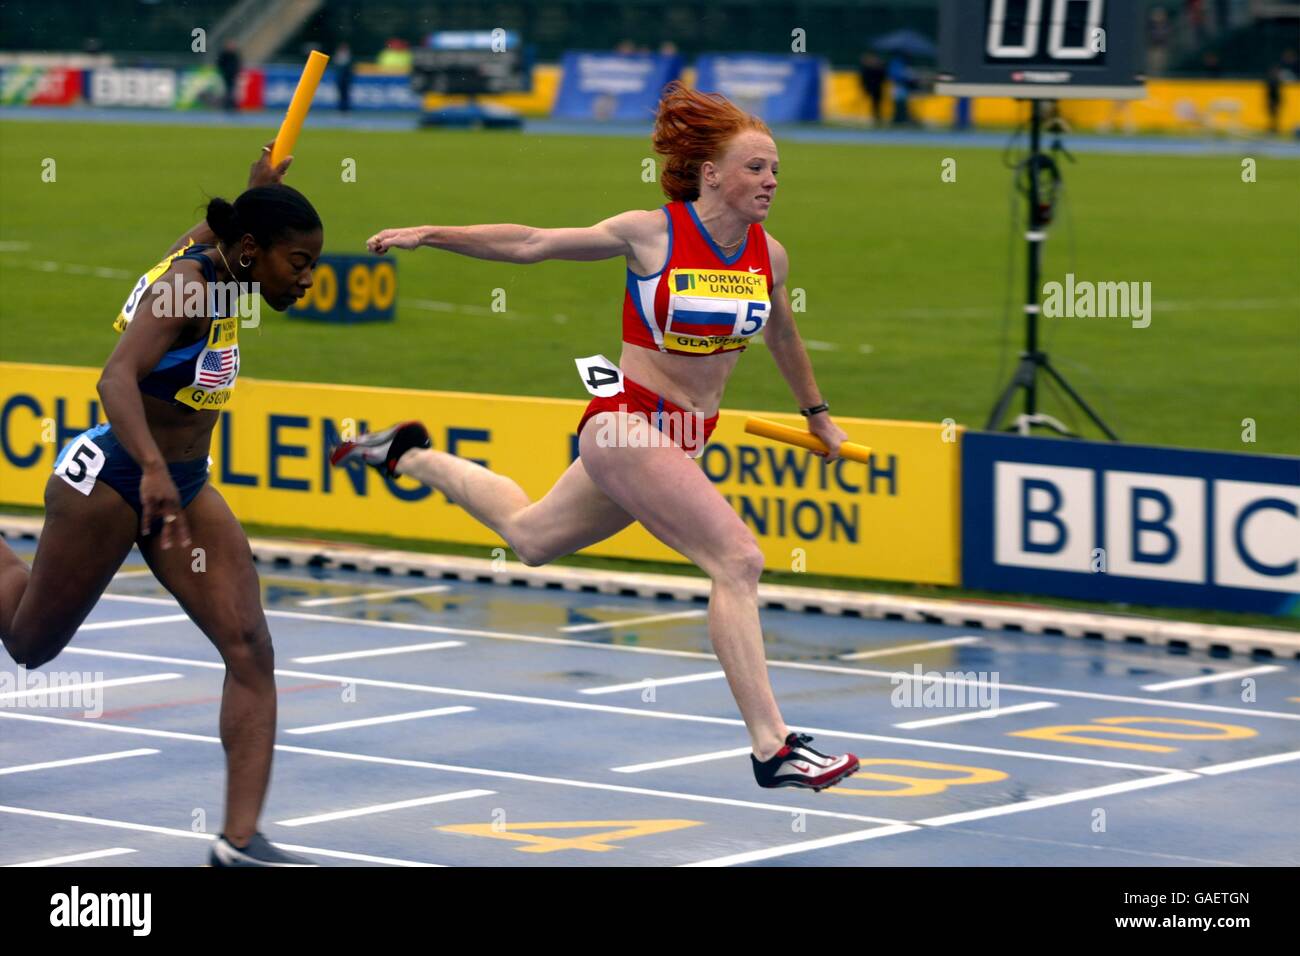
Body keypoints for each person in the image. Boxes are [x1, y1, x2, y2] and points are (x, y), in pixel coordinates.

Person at [332, 81, 861, 793]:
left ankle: (406, 453)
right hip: (624, 425)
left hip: (681, 439)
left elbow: (782, 332)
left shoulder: (772, 256)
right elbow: (531, 244)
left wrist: (818, 414)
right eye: (755, 168)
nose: (770, 182)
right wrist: (433, 233)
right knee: (737, 560)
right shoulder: (651, 233)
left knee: (530, 536)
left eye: (775, 171)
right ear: (711, 174)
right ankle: (772, 744)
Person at [0, 142, 325, 866]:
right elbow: (115, 379)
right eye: (298, 263)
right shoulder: (193, 285)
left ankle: (239, 844)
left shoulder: (224, 262)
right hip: (114, 478)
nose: (307, 280)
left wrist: (253, 191)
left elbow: (207, 235)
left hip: (182, 485)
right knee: (27, 643)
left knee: (250, 648)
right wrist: (148, 466)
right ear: (252, 249)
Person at [858, 53, 886, 126]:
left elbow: (882, 78)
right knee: (875, 104)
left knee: (876, 104)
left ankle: (876, 117)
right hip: (873, 88)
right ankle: (875, 117)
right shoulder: (868, 69)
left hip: (876, 88)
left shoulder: (876, 69)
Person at [217, 40, 241, 111]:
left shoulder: (235, 54)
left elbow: (238, 64)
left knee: (233, 91)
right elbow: (219, 64)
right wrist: (223, 71)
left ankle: (233, 105)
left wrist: (237, 72)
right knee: (227, 91)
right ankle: (227, 105)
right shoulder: (224, 54)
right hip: (226, 75)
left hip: (233, 75)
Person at [334, 42, 354, 113]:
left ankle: (345, 108)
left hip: (346, 79)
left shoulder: (348, 56)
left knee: (346, 93)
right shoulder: (338, 56)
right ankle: (341, 108)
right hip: (340, 79)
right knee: (341, 93)